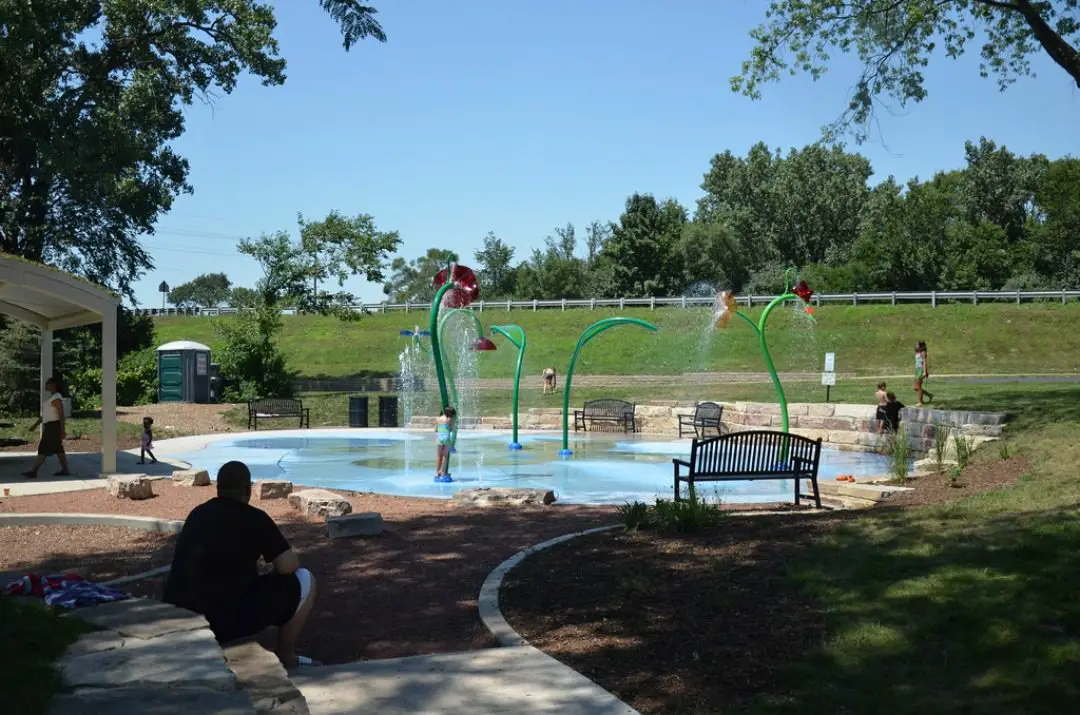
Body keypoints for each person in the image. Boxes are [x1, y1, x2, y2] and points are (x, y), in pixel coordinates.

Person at [163, 461, 318, 669]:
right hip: (223, 620)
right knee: (305, 580)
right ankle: (286, 655)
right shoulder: (255, 518)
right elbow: (288, 566)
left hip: (181, 615)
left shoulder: (197, 514)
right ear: (247, 490)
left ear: (218, 489)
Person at [22, 377, 71, 479]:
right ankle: (65, 470)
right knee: (58, 449)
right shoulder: (51, 398)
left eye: (48, 383)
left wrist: (62, 430)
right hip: (50, 426)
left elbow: (61, 414)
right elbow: (44, 415)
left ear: (54, 385)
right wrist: (35, 425)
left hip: (53, 426)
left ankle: (33, 471)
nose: (46, 385)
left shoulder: (56, 398)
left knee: (43, 448)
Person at [435, 406, 455, 477]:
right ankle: (443, 472)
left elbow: (436, 430)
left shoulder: (437, 419)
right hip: (446, 438)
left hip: (439, 438)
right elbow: (452, 429)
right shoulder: (449, 419)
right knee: (445, 456)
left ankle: (436, 472)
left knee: (438, 456)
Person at [914, 340, 934, 407]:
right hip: (917, 370)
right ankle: (929, 395)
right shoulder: (917, 352)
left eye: (917, 345)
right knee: (916, 387)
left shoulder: (923, 353)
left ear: (921, 346)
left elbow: (925, 362)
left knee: (918, 386)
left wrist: (925, 372)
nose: (916, 346)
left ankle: (920, 402)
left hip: (921, 370)